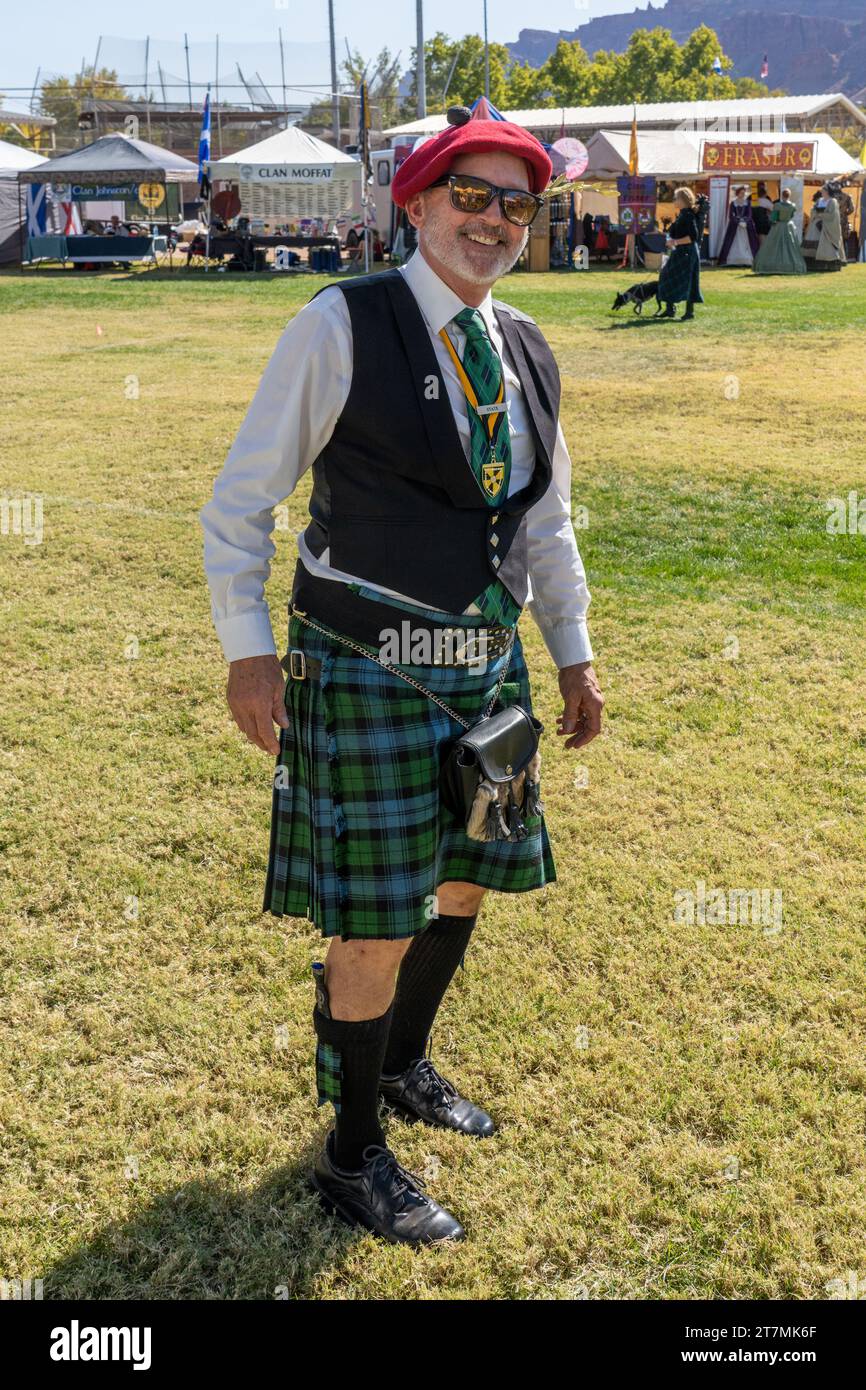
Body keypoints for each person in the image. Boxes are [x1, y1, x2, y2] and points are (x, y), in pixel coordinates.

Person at [200, 104, 603, 1246]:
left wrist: (570, 653)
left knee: (467, 878)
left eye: (513, 202)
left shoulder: (524, 345)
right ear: (417, 204)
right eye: (467, 195)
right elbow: (241, 501)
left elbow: (544, 520)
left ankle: (406, 1063)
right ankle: (347, 1153)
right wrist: (246, 651)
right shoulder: (341, 323)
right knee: (375, 920)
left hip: (485, 663)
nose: (491, 220)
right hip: (364, 659)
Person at [656, 186, 706, 320]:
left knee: (689, 280)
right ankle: (670, 309)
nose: (674, 200)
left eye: (676, 198)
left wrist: (675, 242)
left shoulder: (688, 215)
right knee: (666, 276)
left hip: (688, 252)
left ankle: (689, 312)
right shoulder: (683, 213)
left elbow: (692, 237)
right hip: (681, 251)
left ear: (682, 200)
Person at [753, 187, 807, 276]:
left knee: (774, 245)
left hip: (778, 226)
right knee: (790, 246)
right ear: (789, 196)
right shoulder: (792, 206)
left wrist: (771, 220)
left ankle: (773, 265)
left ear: (782, 195)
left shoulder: (777, 205)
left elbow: (773, 217)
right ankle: (791, 265)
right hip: (789, 226)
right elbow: (792, 215)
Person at [805, 183, 845, 272]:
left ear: (828, 191)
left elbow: (832, 215)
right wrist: (815, 214)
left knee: (826, 244)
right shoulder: (819, 200)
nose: (821, 192)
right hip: (816, 226)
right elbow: (813, 210)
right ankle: (813, 266)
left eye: (823, 190)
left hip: (827, 227)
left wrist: (820, 215)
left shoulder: (832, 201)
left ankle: (828, 265)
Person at [717, 185, 759, 266]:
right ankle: (732, 260)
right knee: (732, 242)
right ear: (737, 193)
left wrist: (745, 221)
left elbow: (749, 214)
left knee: (748, 243)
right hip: (735, 226)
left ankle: (748, 260)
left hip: (745, 227)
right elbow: (731, 215)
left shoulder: (747, 203)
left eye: (744, 193)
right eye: (741, 193)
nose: (743, 194)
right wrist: (738, 222)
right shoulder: (733, 203)